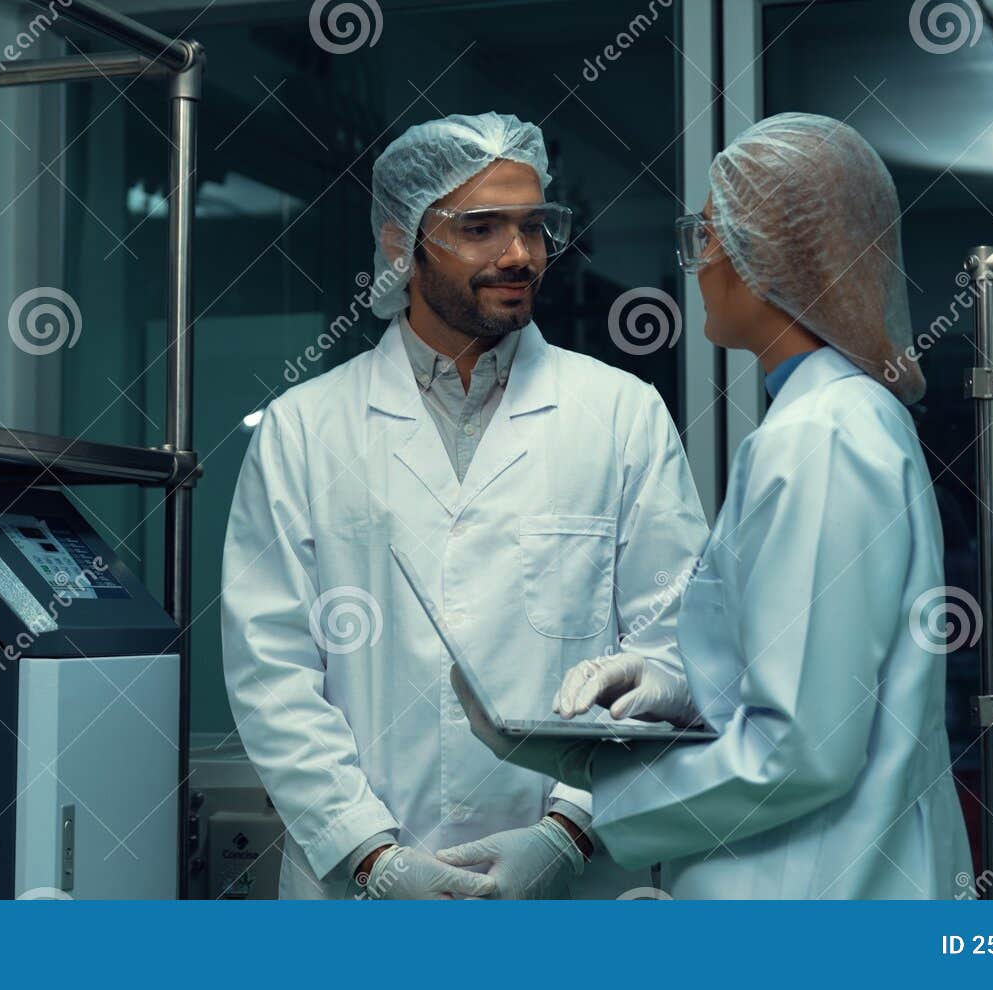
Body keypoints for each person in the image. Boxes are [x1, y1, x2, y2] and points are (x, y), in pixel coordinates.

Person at [457, 113, 974, 899]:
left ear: (767, 257)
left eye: (707, 235)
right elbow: (810, 674)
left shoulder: (820, 437)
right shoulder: (831, 420)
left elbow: (803, 750)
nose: (697, 264)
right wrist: (679, 685)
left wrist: (598, 789)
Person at [221, 112, 709, 899]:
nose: (520, 255)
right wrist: (371, 858)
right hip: (358, 896)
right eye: (480, 228)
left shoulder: (622, 415)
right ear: (400, 243)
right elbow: (270, 668)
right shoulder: (304, 429)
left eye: (534, 226)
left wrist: (565, 834)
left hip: (567, 883)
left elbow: (675, 649)